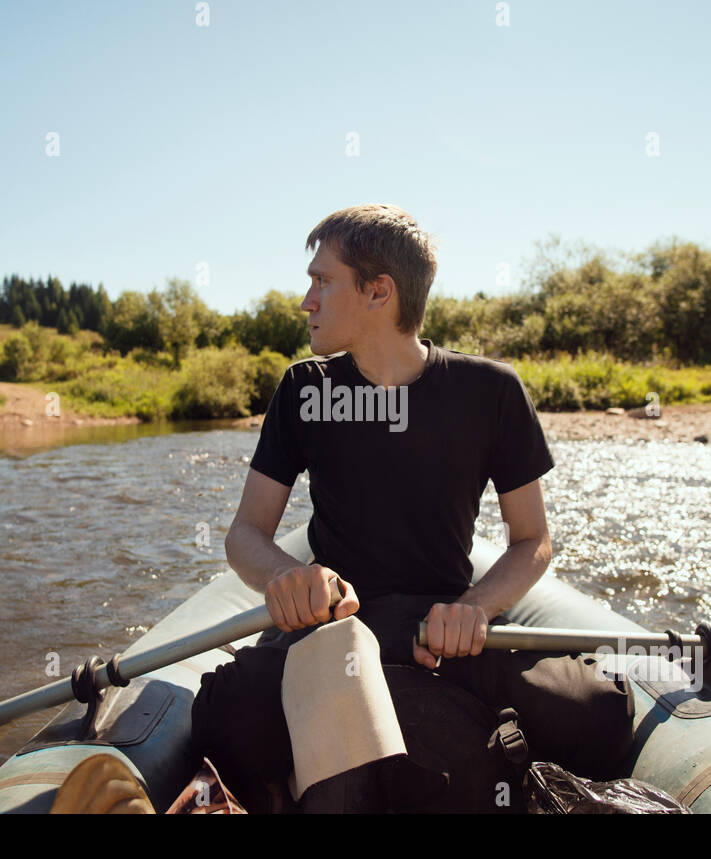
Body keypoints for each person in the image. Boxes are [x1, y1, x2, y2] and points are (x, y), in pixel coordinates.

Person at [189, 203, 635, 812]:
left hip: (442, 634)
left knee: (600, 710)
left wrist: (474, 609)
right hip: (336, 629)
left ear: (379, 291)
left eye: (323, 280)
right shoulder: (304, 390)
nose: (306, 300)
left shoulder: (491, 390)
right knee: (221, 708)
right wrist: (285, 578)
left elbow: (532, 540)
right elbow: (246, 533)